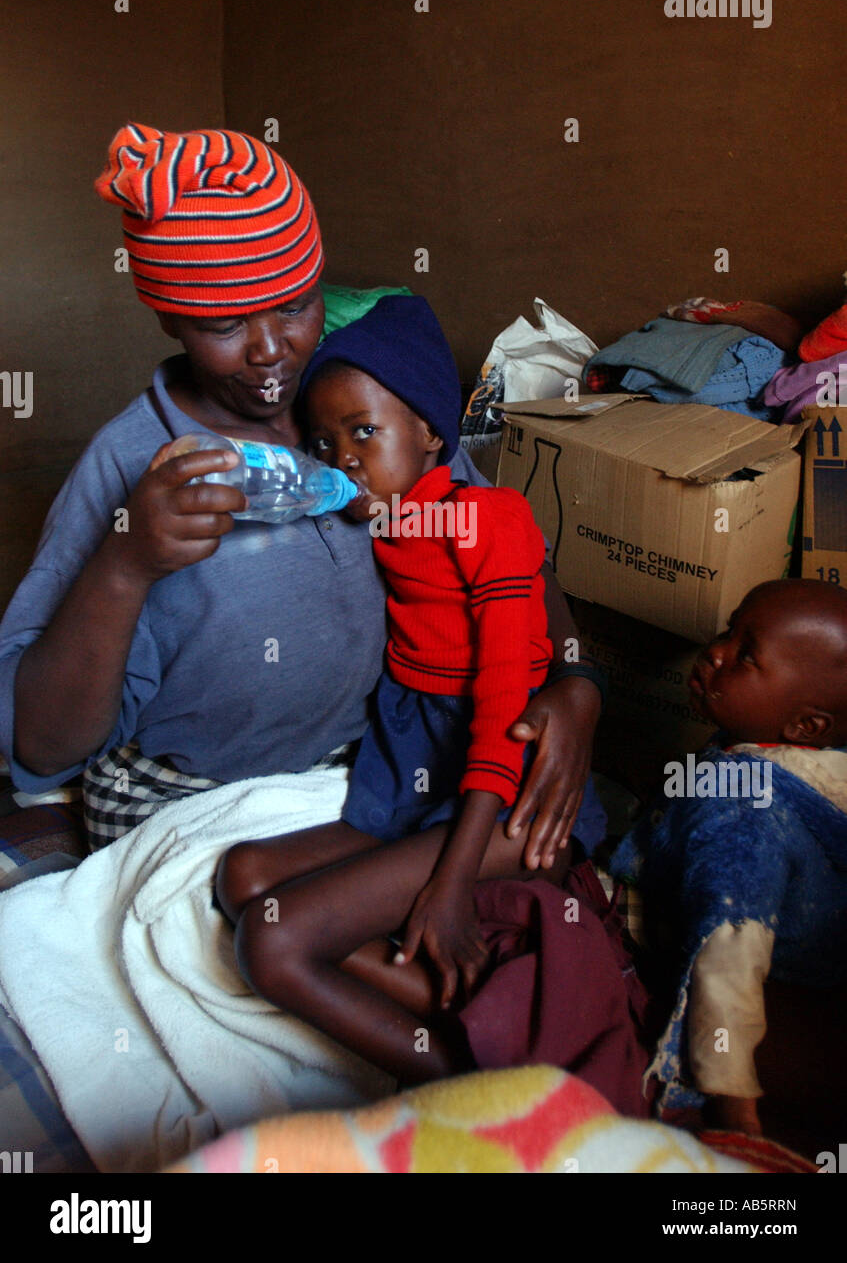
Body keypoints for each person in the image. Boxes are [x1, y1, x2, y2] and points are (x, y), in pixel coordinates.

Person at [0, 123, 602, 881]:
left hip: (378, 764)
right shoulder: (128, 467)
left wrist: (580, 685)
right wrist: (123, 567)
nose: (269, 350)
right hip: (192, 801)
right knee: (281, 938)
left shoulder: (367, 401)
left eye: (293, 306)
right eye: (223, 323)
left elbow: (506, 551)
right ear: (168, 319)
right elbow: (43, 746)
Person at [216, 297, 607, 1084]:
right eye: (324, 444)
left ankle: (479, 1084)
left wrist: (452, 881)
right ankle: (451, 998)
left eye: (364, 433)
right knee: (242, 878)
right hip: (415, 772)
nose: (344, 460)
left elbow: (502, 707)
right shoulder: (388, 528)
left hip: (508, 796)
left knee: (271, 938)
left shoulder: (483, 520)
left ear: (431, 434)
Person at [610, 579, 847, 1136]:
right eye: (730, 628)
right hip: (818, 970)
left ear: (804, 726)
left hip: (765, 989)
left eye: (746, 654)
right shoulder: (815, 761)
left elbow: (728, 947)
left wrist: (731, 1107)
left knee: (529, 925)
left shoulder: (737, 806)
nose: (715, 650)